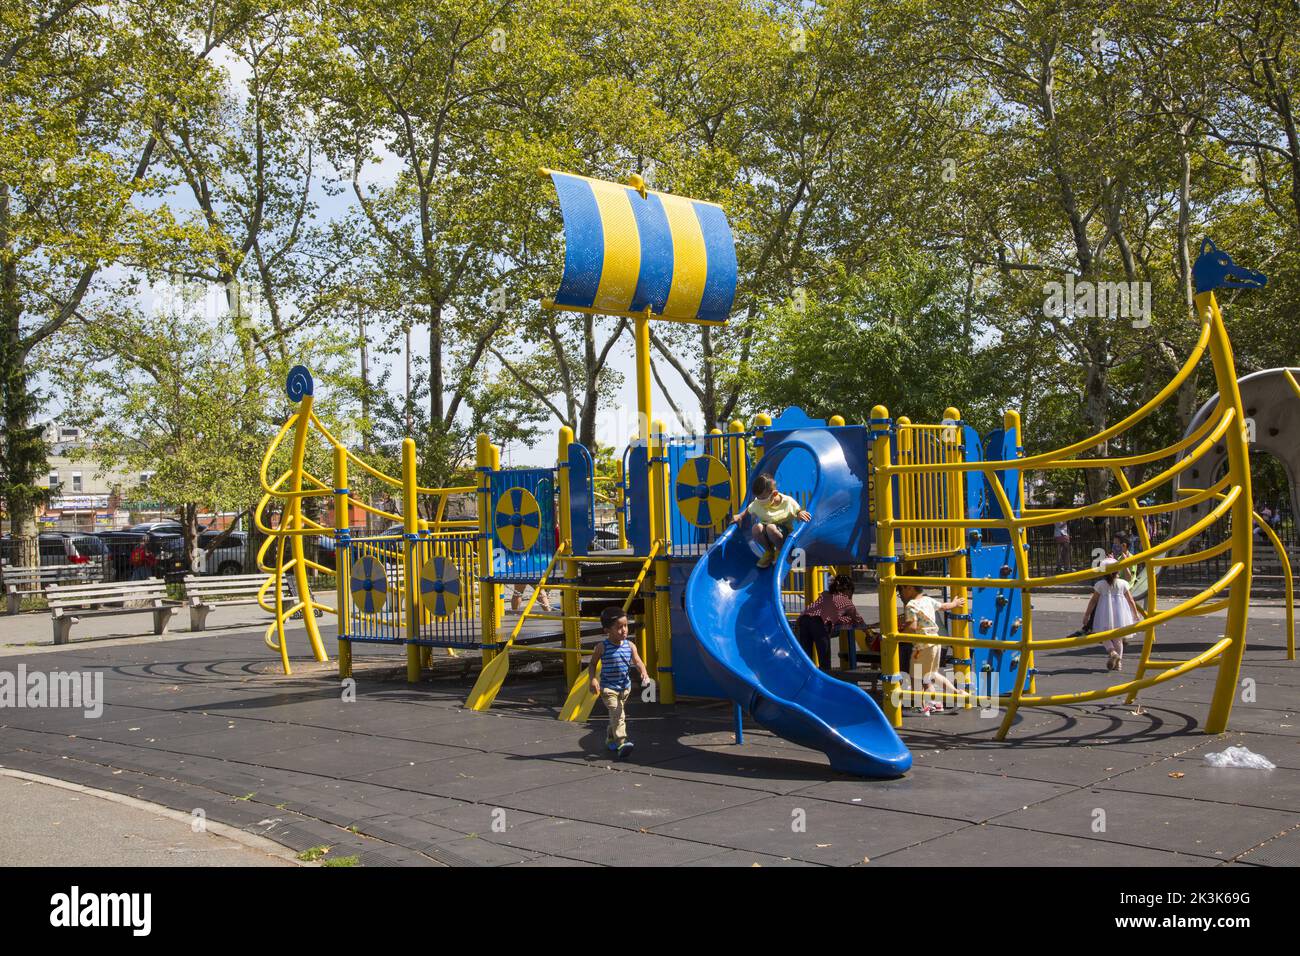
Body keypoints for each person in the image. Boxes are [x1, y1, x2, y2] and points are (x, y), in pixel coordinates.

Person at [588, 606, 649, 759]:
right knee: (618, 714)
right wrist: (593, 679)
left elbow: (638, 662)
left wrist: (644, 673)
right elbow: (592, 664)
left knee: (615, 716)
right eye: (619, 627)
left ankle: (610, 736)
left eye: (626, 626)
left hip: (624, 688)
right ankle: (622, 742)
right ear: (607, 630)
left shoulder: (630, 646)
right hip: (608, 688)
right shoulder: (602, 647)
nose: (624, 630)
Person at [898, 582, 965, 715]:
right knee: (932, 674)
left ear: (909, 587)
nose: (901, 595)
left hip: (921, 646)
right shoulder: (928, 600)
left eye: (901, 591)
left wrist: (897, 634)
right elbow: (944, 606)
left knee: (916, 678)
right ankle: (957, 693)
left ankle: (925, 706)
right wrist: (955, 603)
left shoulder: (911, 606)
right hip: (935, 642)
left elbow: (912, 627)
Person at [732, 473, 810, 569]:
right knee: (756, 528)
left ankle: (781, 552)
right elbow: (749, 508)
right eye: (758, 498)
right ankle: (769, 552)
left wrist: (800, 513)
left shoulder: (787, 502)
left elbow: (798, 511)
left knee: (770, 528)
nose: (760, 501)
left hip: (784, 536)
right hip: (768, 536)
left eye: (763, 498)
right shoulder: (758, 503)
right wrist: (740, 516)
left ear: (774, 494)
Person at [1081, 556, 1145, 672]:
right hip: (1120, 614)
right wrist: (1135, 614)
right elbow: (1131, 600)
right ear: (1117, 571)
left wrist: (1087, 615)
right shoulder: (1123, 583)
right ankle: (1118, 663)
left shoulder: (1100, 584)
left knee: (1103, 635)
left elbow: (1093, 601)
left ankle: (1112, 652)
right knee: (1118, 638)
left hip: (1104, 613)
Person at [796, 574, 867, 674]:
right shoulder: (847, 602)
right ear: (849, 590)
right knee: (824, 660)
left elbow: (827, 611)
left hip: (803, 620)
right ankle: (825, 681)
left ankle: (805, 678)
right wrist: (867, 632)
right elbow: (859, 620)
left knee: (806, 656)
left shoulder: (824, 594)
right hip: (819, 624)